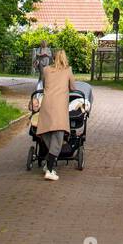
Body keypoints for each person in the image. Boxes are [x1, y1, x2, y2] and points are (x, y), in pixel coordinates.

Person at [36, 48, 76, 181]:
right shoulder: (68, 70)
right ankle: (50, 169)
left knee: (46, 133)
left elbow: (43, 83)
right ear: (65, 58)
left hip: (47, 106)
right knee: (58, 139)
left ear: (53, 57)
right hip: (59, 107)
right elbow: (73, 87)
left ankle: (48, 161)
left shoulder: (46, 69)